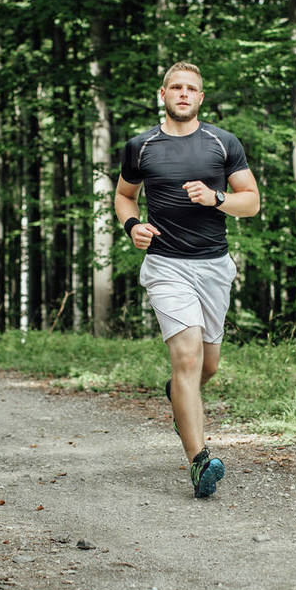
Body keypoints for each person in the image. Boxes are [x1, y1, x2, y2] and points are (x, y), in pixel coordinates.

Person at [114, 62, 261, 498]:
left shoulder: (222, 143)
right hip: (166, 265)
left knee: (205, 367)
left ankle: (179, 395)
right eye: (175, 87)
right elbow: (125, 196)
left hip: (214, 267)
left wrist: (217, 198)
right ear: (163, 94)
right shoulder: (141, 146)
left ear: (200, 97)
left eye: (190, 88)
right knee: (187, 358)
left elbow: (250, 202)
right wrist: (133, 225)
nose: (183, 94)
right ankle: (199, 461)